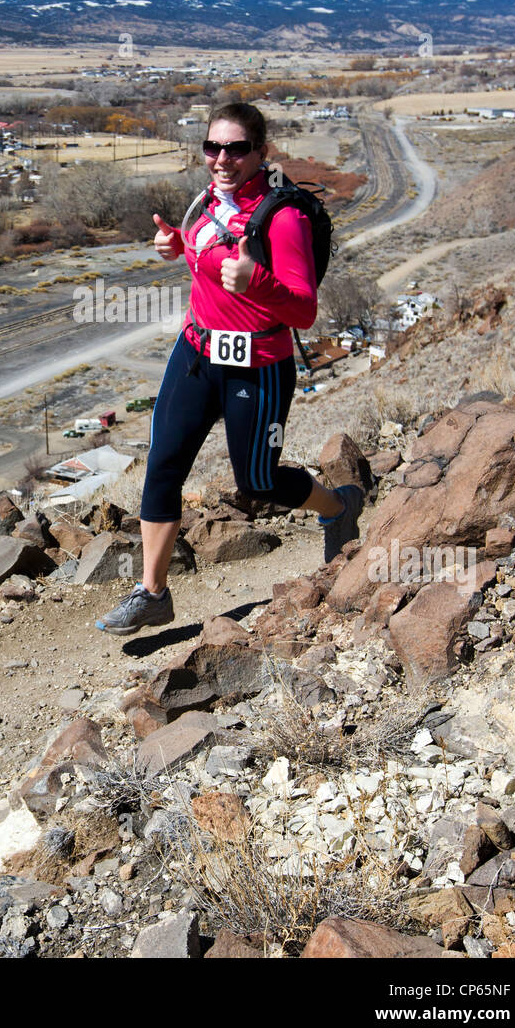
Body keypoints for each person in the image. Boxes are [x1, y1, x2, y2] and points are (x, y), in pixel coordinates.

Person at [96, 102, 364, 637]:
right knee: (164, 464)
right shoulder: (205, 203)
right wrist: (177, 244)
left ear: (262, 153)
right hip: (196, 352)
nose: (223, 158)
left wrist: (259, 283)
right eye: (213, 147)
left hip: (257, 364)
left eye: (237, 148)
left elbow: (305, 311)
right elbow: (207, 261)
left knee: (257, 480)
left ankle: (338, 506)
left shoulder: (282, 219)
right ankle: (151, 593)